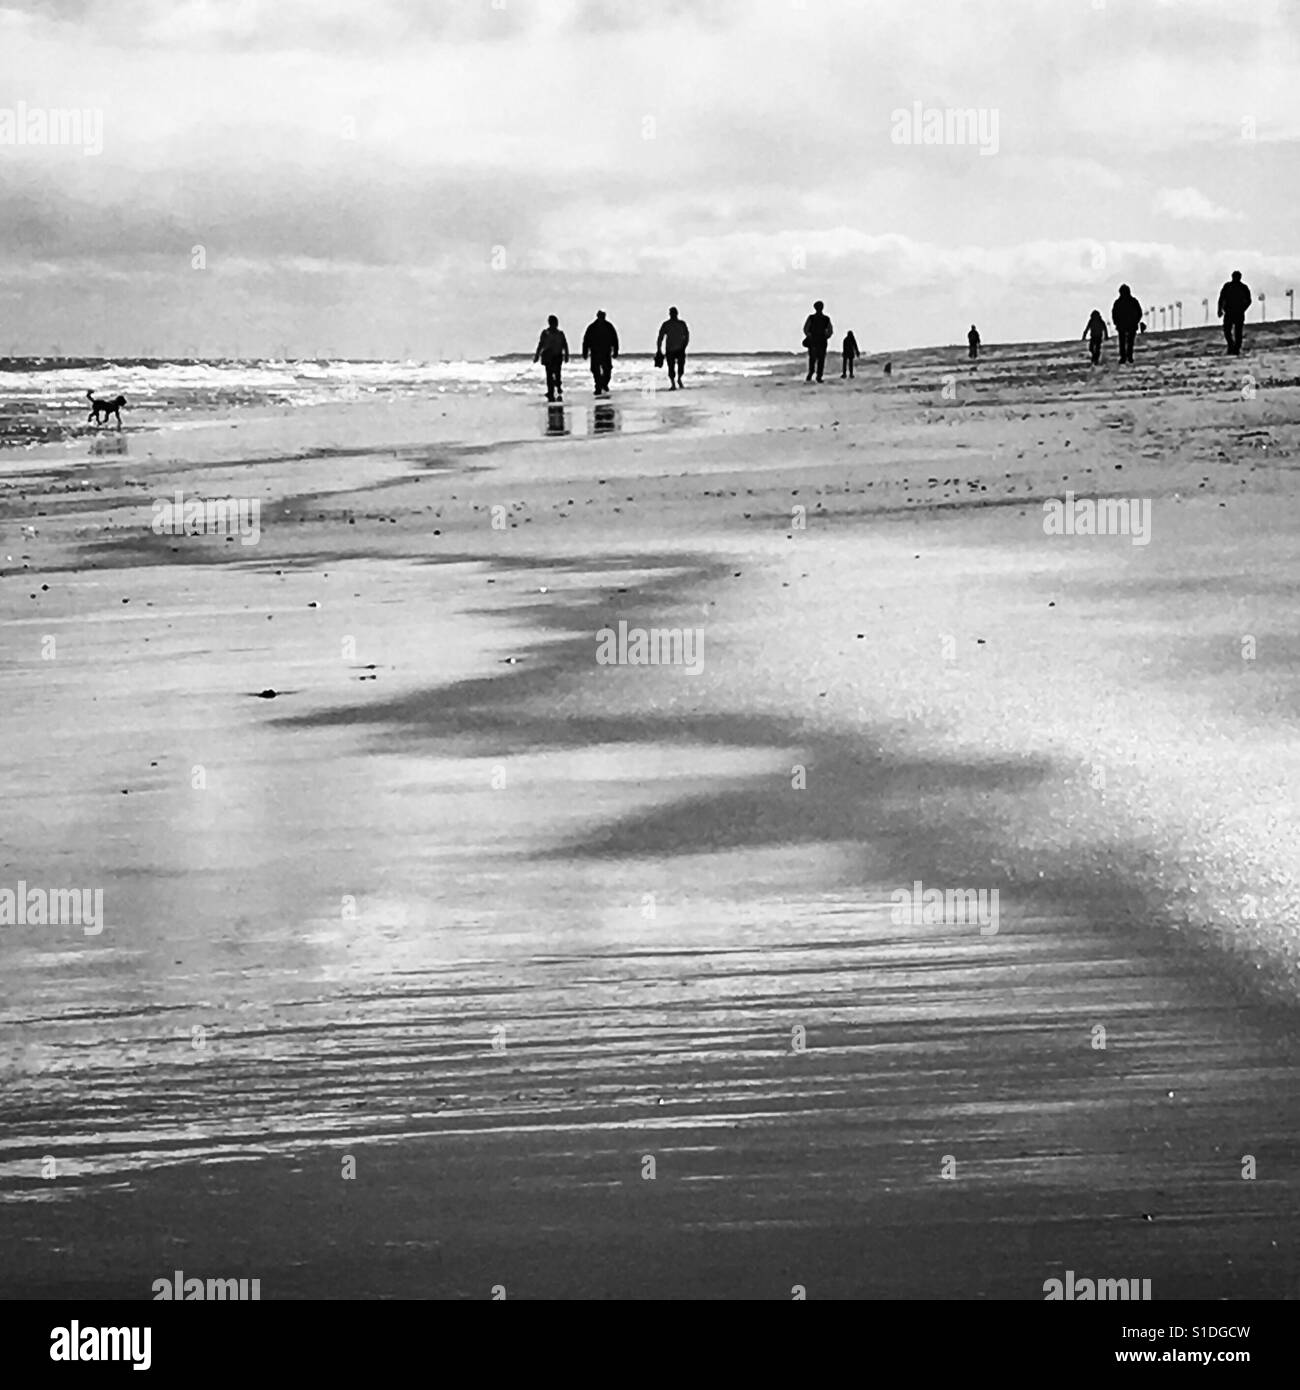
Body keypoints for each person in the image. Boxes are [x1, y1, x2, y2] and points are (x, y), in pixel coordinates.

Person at [582, 310, 619, 396]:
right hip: (595, 352)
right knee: (595, 370)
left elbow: (615, 339)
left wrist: (616, 350)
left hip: (606, 352)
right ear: (597, 316)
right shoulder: (592, 327)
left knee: (608, 370)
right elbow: (586, 340)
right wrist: (585, 351)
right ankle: (598, 386)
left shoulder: (609, 327)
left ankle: (604, 384)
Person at [533, 315, 570, 402]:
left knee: (557, 374)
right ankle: (550, 391)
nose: (555, 324)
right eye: (553, 323)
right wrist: (537, 355)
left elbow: (565, 345)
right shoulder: (545, 333)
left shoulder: (560, 333)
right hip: (548, 356)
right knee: (549, 375)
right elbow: (541, 344)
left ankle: (558, 386)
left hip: (557, 356)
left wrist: (567, 355)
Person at [1217, 270, 1253, 356]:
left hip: (1238, 312)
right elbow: (1221, 298)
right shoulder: (1227, 286)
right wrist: (1220, 309)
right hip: (1229, 312)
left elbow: (1249, 300)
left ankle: (1236, 349)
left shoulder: (1243, 287)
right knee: (1227, 331)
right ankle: (1231, 346)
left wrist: (1243, 308)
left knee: (1238, 332)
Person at [656, 307, 690, 389]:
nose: (673, 315)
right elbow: (660, 337)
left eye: (674, 313)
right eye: (672, 313)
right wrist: (659, 349)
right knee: (671, 367)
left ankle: (679, 379)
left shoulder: (682, 324)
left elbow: (687, 335)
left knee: (681, 366)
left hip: (680, 349)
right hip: (670, 349)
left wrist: (684, 345)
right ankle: (673, 384)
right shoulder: (666, 324)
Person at [1111, 284, 1143, 363]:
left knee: (1124, 342)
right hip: (1128, 325)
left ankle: (1125, 357)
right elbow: (1139, 312)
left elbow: (1114, 313)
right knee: (1129, 342)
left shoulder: (1118, 302)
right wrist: (1136, 321)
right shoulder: (1133, 301)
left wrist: (1116, 322)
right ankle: (1128, 357)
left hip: (1125, 325)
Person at [803, 301, 833, 383]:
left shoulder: (811, 318)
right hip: (822, 341)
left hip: (814, 341)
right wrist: (826, 336)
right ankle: (818, 376)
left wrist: (809, 336)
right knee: (821, 359)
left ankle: (810, 374)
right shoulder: (826, 319)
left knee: (812, 359)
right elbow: (830, 331)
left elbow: (805, 329)